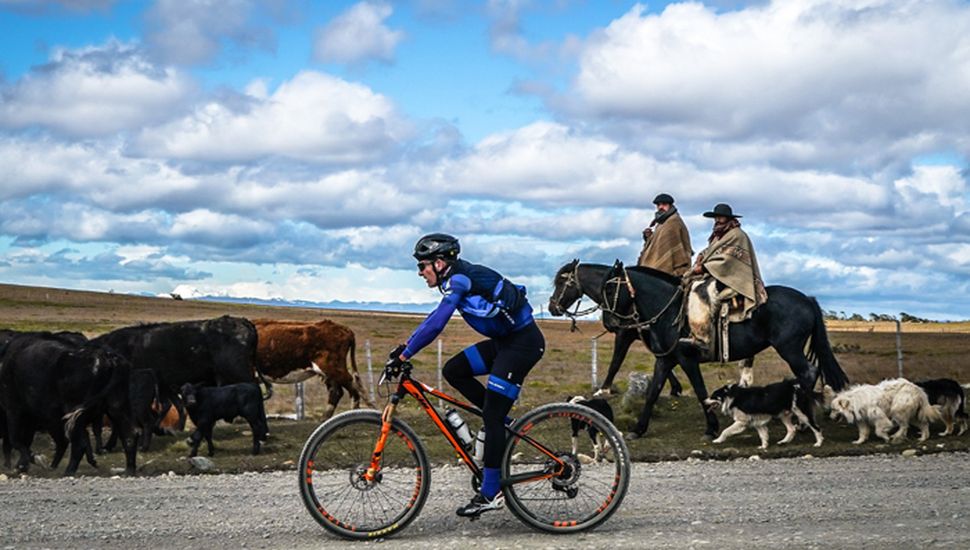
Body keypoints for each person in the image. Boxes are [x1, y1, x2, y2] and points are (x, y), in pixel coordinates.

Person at [386, 233, 545, 518]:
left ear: (439, 262)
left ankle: (491, 492)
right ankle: (503, 426)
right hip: (503, 344)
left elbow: (437, 322)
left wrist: (405, 355)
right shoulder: (452, 280)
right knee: (454, 370)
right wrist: (405, 347)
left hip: (522, 345)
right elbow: (432, 318)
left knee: (491, 418)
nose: (420, 273)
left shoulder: (460, 279)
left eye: (422, 266)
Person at [681, 203, 767, 355]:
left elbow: (727, 260)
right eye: (715, 217)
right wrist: (702, 257)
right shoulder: (719, 235)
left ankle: (702, 337)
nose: (717, 220)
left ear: (728, 218)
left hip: (735, 277)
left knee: (700, 292)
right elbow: (712, 252)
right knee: (689, 284)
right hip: (720, 274)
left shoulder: (737, 235)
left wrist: (705, 267)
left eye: (720, 217)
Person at [637, 192, 693, 276]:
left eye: (664, 204)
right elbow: (658, 244)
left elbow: (670, 247)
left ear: (670, 205)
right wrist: (649, 238)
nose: (660, 207)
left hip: (671, 270)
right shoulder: (662, 222)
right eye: (658, 205)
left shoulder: (673, 222)